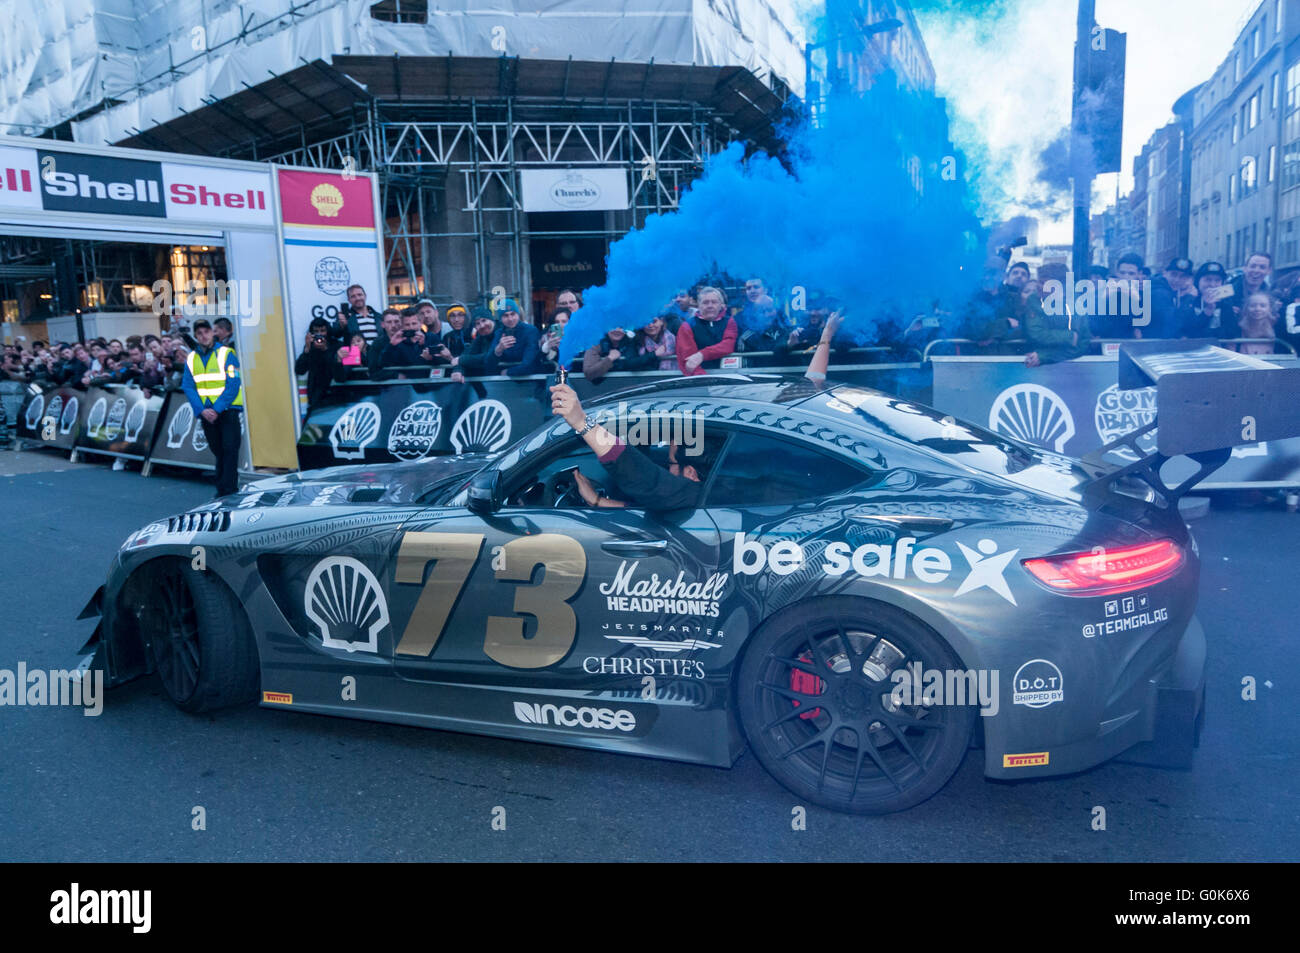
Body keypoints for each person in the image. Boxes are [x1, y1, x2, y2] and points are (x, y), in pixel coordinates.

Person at [182, 318, 243, 498]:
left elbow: (233, 383)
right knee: (218, 450)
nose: (204, 336)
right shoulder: (191, 358)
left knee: (230, 449)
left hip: (227, 410)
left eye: (206, 332)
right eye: (199, 333)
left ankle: (228, 489)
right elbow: (188, 386)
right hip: (207, 413)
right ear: (195, 336)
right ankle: (222, 488)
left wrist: (216, 409)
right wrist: (201, 410)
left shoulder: (226, 353)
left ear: (212, 333)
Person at [676, 286, 737, 375]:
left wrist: (702, 355)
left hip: (728, 375)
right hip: (700, 380)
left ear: (721, 305)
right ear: (698, 305)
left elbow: (728, 344)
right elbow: (689, 362)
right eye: (705, 302)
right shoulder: (687, 326)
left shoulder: (729, 321)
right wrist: (705, 380)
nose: (710, 306)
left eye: (714, 302)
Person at [486, 299, 544, 376]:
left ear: (518, 315)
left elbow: (530, 363)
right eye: (505, 315)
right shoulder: (499, 333)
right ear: (501, 318)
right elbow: (488, 364)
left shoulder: (530, 331)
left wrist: (507, 372)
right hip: (504, 384)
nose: (510, 319)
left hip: (529, 381)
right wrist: (498, 350)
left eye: (513, 314)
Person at [1147, 257, 1197, 340]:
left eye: (1183, 276)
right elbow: (1170, 327)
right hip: (1153, 346)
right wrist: (1188, 299)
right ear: (1165, 273)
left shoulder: (1172, 292)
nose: (1177, 280)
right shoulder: (1160, 292)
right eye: (1173, 274)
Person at [295, 317, 338, 410]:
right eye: (316, 331)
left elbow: (336, 368)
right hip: (316, 394)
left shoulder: (336, 345)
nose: (320, 334)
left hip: (336, 392)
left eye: (322, 331)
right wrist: (307, 349)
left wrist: (325, 350)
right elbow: (299, 370)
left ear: (328, 331)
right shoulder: (310, 347)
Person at [1185, 261, 1233, 339]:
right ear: (1198, 281)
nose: (1212, 284)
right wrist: (1207, 312)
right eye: (1208, 279)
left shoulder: (1226, 301)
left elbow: (1231, 333)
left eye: (1217, 280)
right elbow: (1189, 332)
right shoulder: (1189, 300)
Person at [366, 308, 404, 377]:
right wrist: (395, 375)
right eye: (389, 322)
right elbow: (373, 372)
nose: (393, 325)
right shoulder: (377, 343)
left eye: (396, 321)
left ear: (401, 322)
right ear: (383, 324)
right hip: (387, 385)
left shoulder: (408, 339)